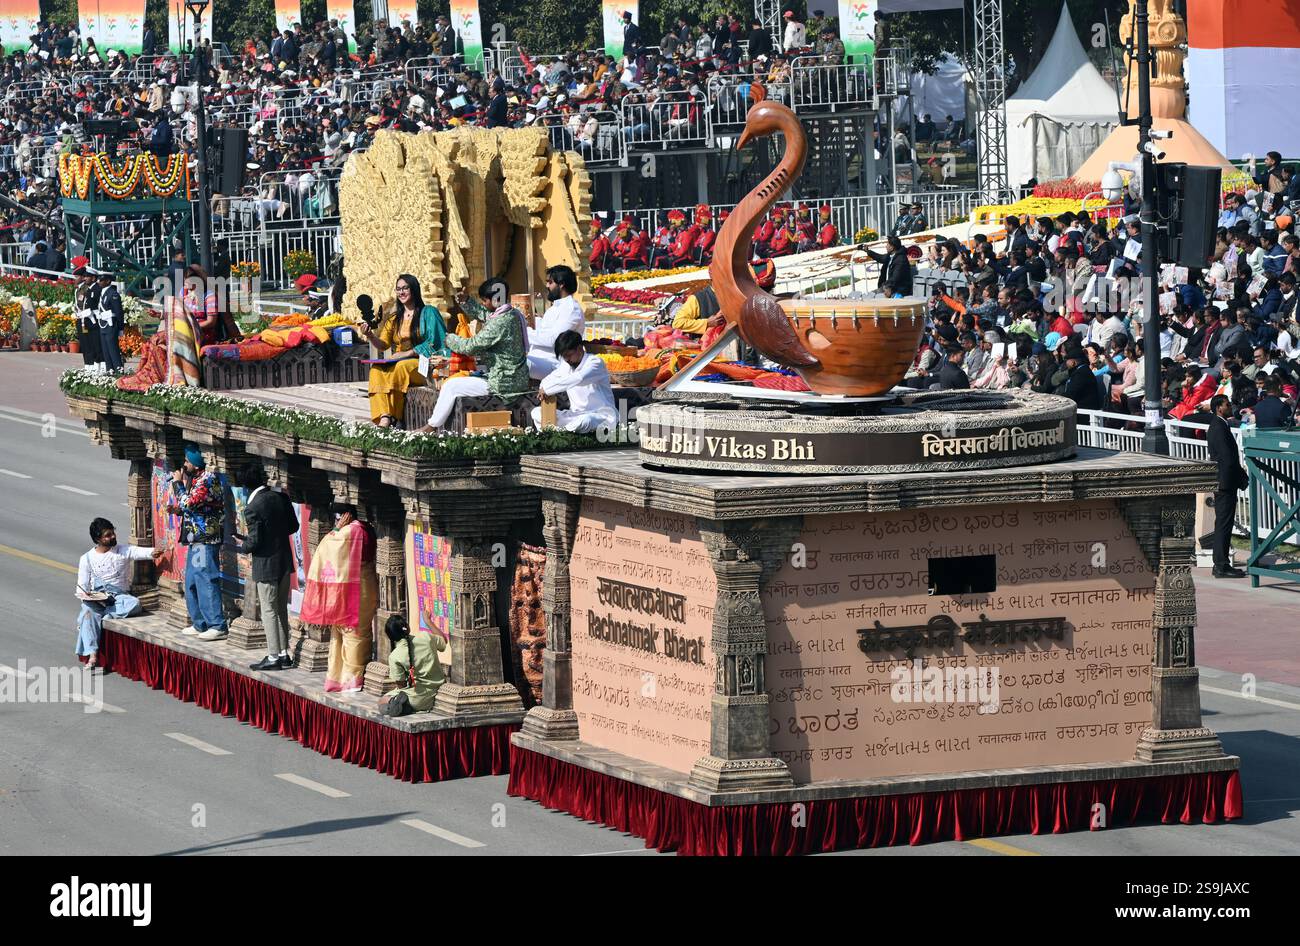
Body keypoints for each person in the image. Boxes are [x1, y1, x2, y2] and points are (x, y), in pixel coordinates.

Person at [422, 278, 531, 431]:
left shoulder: (499, 322)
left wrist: (448, 338)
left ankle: (431, 427)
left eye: (485, 300)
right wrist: (466, 301)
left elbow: (470, 346)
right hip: (512, 378)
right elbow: (483, 314)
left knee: (451, 386)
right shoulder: (511, 313)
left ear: (495, 299)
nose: (484, 304)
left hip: (503, 383)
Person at [301, 504, 378, 694]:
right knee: (351, 630)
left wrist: (336, 529)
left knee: (351, 631)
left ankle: (349, 677)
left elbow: (328, 546)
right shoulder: (365, 528)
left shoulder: (350, 531)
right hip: (362, 582)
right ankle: (343, 676)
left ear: (346, 515)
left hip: (353, 586)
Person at [357, 273, 448, 427]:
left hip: (423, 363)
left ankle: (395, 416)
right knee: (376, 370)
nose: (401, 292)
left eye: (405, 288)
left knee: (400, 367)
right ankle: (384, 417)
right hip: (398, 360)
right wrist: (370, 336)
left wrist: (408, 353)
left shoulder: (429, 312)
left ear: (414, 289)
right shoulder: (394, 318)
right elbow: (383, 344)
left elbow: (435, 341)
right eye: (398, 289)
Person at [235, 462, 299, 672]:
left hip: (266, 565)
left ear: (245, 487)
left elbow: (254, 541)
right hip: (284, 561)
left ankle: (273, 655)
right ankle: (284, 654)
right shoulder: (280, 497)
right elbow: (293, 526)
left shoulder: (253, 508)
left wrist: (242, 545)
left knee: (269, 610)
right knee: (281, 609)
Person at [75, 518, 164, 670]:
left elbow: (137, 552)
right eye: (107, 535)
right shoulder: (87, 558)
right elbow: (81, 587)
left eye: (113, 533)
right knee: (87, 613)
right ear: (98, 539)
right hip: (98, 598)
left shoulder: (122, 550)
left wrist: (153, 552)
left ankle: (106, 615)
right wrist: (89, 596)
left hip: (119, 598)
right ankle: (92, 654)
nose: (112, 537)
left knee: (134, 604)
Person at [168, 445, 228, 640]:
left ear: (195, 464)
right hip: (196, 538)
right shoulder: (196, 480)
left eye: (187, 461)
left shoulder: (208, 480)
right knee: (192, 580)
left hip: (205, 538)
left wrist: (177, 484)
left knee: (205, 578)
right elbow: (194, 507)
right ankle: (199, 622)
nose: (185, 464)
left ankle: (217, 624)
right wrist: (178, 511)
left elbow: (188, 502)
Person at [531, 331, 618, 433]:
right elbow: (547, 381)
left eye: (569, 355)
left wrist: (548, 389)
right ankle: (560, 431)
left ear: (579, 348)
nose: (567, 359)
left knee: (586, 421)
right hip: (575, 416)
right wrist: (543, 388)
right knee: (536, 412)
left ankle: (557, 433)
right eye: (564, 356)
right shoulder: (566, 366)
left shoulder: (595, 362)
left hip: (601, 416)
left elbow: (578, 379)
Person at [1205, 394, 1248, 578]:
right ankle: (1221, 564)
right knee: (1223, 524)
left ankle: (1221, 563)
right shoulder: (1218, 427)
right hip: (1225, 483)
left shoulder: (1220, 425)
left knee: (1224, 523)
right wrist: (1240, 477)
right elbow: (1227, 458)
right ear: (1219, 408)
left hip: (1224, 482)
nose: (1230, 406)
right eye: (1227, 404)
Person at [379, 612, 448, 717]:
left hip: (415, 699)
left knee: (382, 701)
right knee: (398, 696)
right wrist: (428, 621)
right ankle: (400, 704)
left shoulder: (395, 656)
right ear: (407, 627)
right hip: (437, 691)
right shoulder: (426, 637)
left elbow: (401, 684)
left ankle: (397, 704)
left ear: (391, 637)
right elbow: (443, 641)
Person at [527, 264, 584, 379]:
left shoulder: (571, 309)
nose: (547, 286)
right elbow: (544, 331)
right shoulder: (555, 307)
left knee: (514, 363)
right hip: (537, 360)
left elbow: (554, 340)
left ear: (561, 284)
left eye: (550, 282)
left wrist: (523, 332)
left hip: (554, 363)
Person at [93, 271, 125, 371]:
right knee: (106, 351)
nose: (99, 282)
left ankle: (118, 370)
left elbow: (118, 312)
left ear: (108, 281)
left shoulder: (113, 294)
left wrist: (120, 328)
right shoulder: (102, 292)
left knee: (113, 350)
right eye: (98, 279)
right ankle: (110, 370)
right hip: (103, 324)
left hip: (111, 325)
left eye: (101, 280)